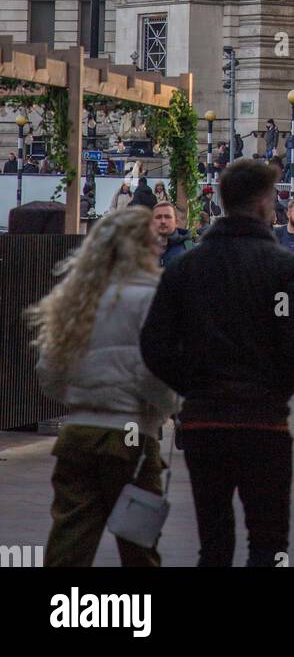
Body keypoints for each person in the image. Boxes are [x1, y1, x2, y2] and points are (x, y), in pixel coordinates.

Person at [140, 159, 294, 567]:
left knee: (214, 542)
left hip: (205, 421)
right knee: (269, 541)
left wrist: (193, 387)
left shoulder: (186, 267)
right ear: (260, 205)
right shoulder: (282, 268)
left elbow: (156, 344)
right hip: (265, 422)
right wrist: (274, 391)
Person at [30, 208, 177, 567]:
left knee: (69, 540)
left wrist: (83, 397)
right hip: (132, 436)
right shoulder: (153, 296)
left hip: (78, 432)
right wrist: (168, 407)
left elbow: (48, 372)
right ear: (140, 247)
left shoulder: (74, 297)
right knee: (138, 541)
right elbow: (157, 372)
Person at [152, 202, 195, 267]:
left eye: (167, 217)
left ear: (176, 222)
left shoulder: (190, 249)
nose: (163, 221)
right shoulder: (140, 249)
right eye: (158, 217)